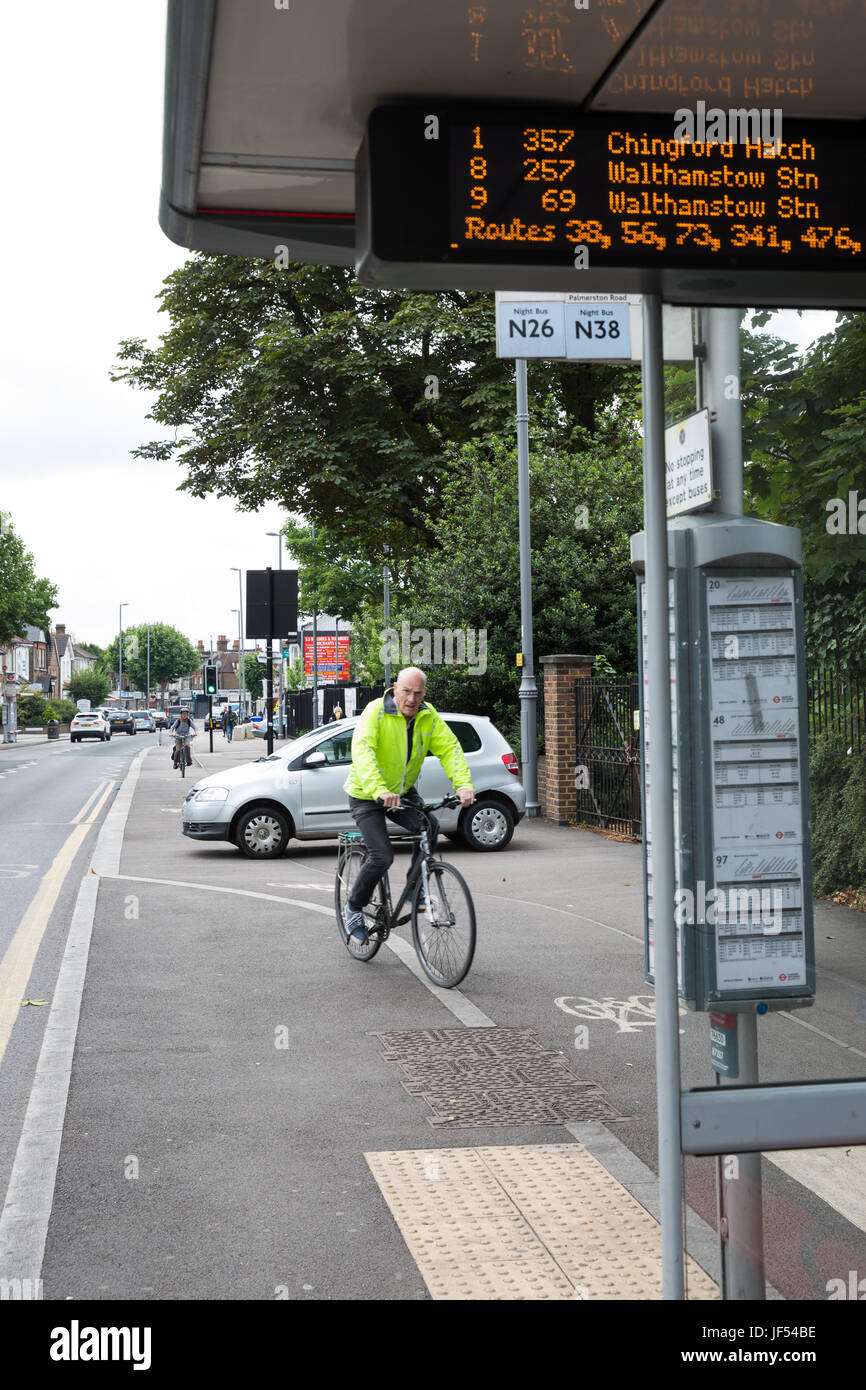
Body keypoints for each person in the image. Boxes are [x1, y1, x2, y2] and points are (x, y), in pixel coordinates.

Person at [342, 667, 475, 944]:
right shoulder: (376, 711)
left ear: (424, 693)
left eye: (418, 693)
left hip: (401, 793)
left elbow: (449, 749)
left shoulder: (428, 716)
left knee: (430, 826)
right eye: (406, 691)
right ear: (395, 688)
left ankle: (416, 890)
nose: (412, 699)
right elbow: (362, 751)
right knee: (382, 856)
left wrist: (463, 784)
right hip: (367, 794)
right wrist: (379, 790)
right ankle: (353, 907)